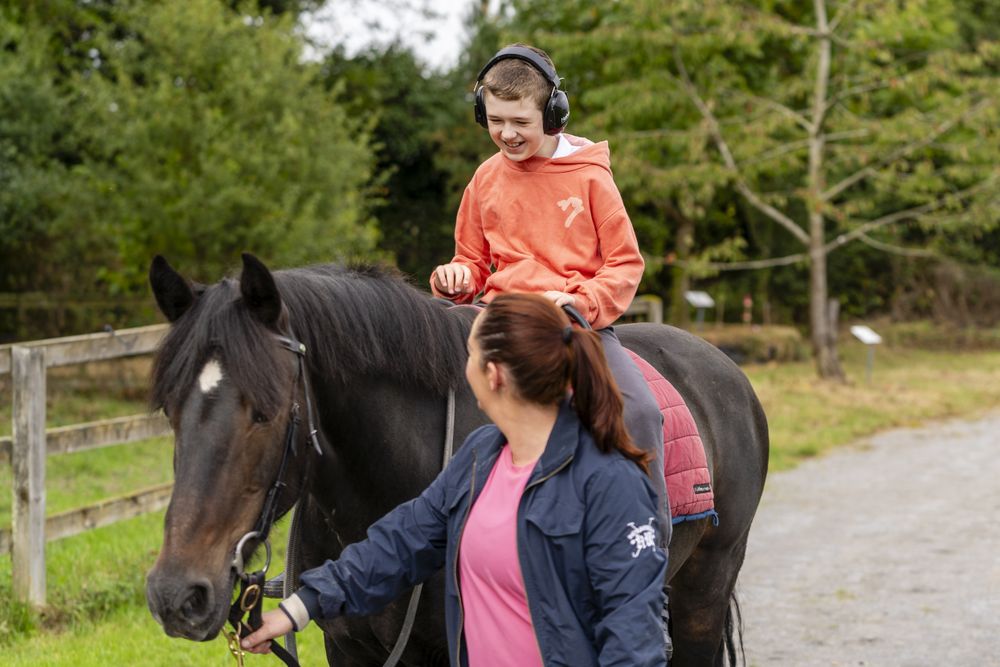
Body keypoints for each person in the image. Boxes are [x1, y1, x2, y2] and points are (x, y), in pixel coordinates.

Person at [242, 293, 669, 665]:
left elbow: (633, 641)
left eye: (470, 353)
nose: (464, 367)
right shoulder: (482, 455)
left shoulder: (611, 485)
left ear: (495, 373)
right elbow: (401, 543)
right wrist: (298, 608)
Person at [429, 43, 669, 538]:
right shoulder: (485, 178)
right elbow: (472, 261)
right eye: (495, 120)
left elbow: (625, 264)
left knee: (639, 411)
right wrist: (455, 278)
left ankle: (647, 544)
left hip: (572, 327)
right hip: (493, 320)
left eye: (520, 121)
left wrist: (581, 304)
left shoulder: (590, 178)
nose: (507, 134)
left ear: (553, 113)